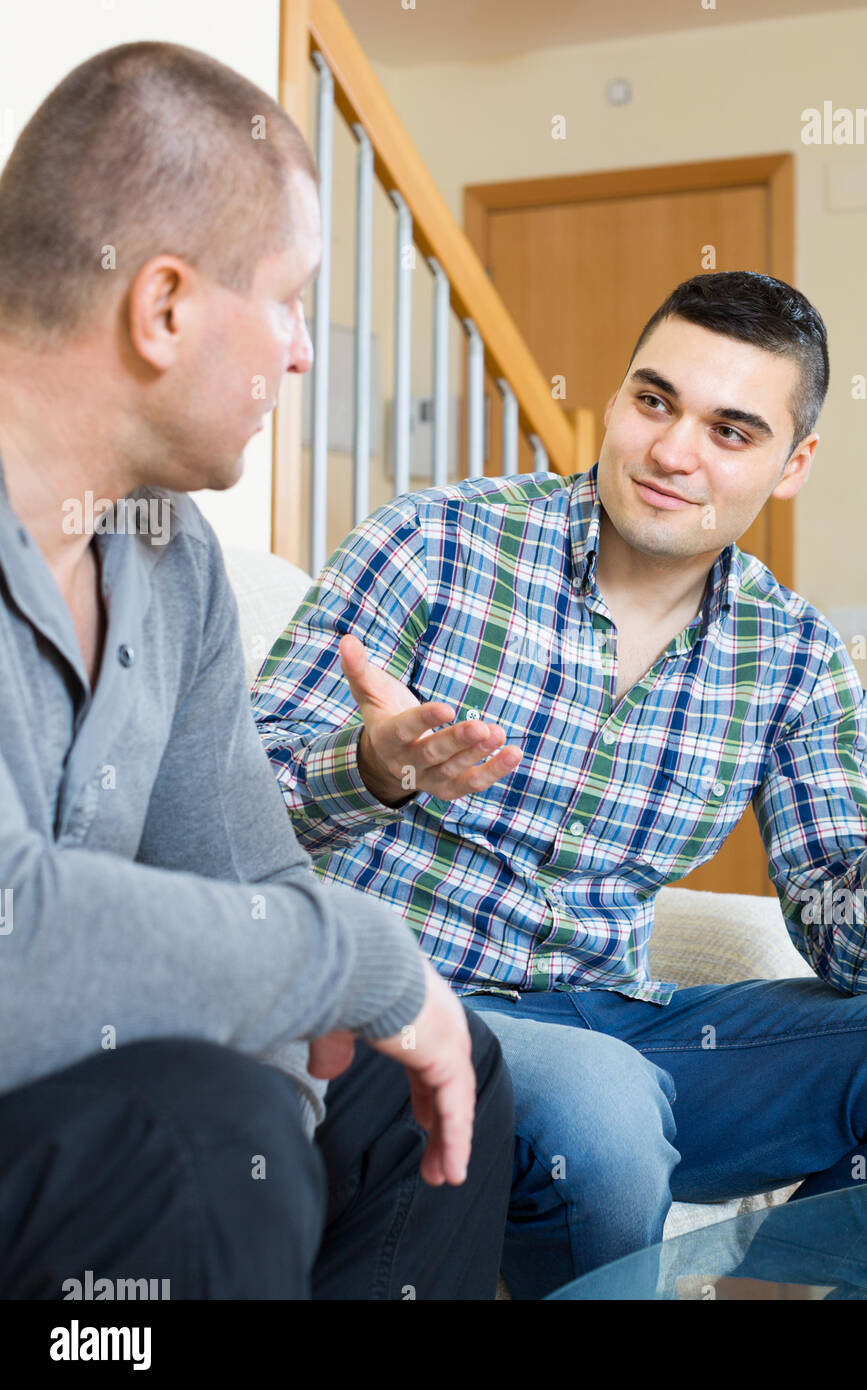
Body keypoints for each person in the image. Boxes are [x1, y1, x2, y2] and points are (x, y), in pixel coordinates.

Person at [251, 268, 867, 1300]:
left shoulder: (793, 654)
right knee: (602, 1104)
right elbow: (232, 811)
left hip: (616, 1018)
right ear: (618, 399)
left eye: (732, 431)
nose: (673, 453)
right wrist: (371, 766)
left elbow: (848, 950)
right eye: (655, 401)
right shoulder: (433, 544)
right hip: (395, 1001)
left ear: (793, 462)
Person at [0, 40, 514, 1301]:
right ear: (163, 304)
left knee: (434, 1076)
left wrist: (317, 1033)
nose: (300, 354)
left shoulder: (167, 557)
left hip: (60, 1080)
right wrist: (354, 959)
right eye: (288, 302)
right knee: (197, 1135)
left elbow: (240, 868)